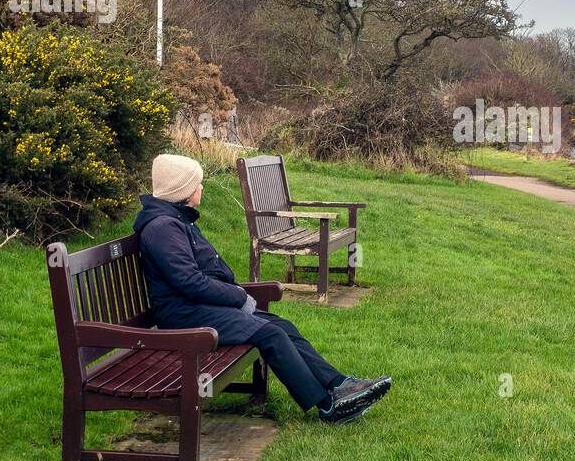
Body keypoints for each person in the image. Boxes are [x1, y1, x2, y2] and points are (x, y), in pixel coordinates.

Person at [133, 153, 391, 424]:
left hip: (198, 307)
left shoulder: (175, 220)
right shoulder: (163, 228)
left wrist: (234, 296)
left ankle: (339, 384)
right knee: (270, 335)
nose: (201, 188)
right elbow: (189, 282)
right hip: (185, 316)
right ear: (182, 191)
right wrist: (237, 296)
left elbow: (195, 279)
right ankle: (328, 406)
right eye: (197, 183)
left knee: (283, 327)